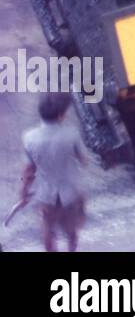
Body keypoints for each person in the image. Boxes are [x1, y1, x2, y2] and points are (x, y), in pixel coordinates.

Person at [18, 92, 87, 252]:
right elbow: (84, 160)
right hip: (70, 192)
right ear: (61, 115)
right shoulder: (71, 134)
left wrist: (23, 192)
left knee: (48, 230)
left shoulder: (29, 137)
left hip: (45, 195)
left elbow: (28, 171)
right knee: (72, 232)